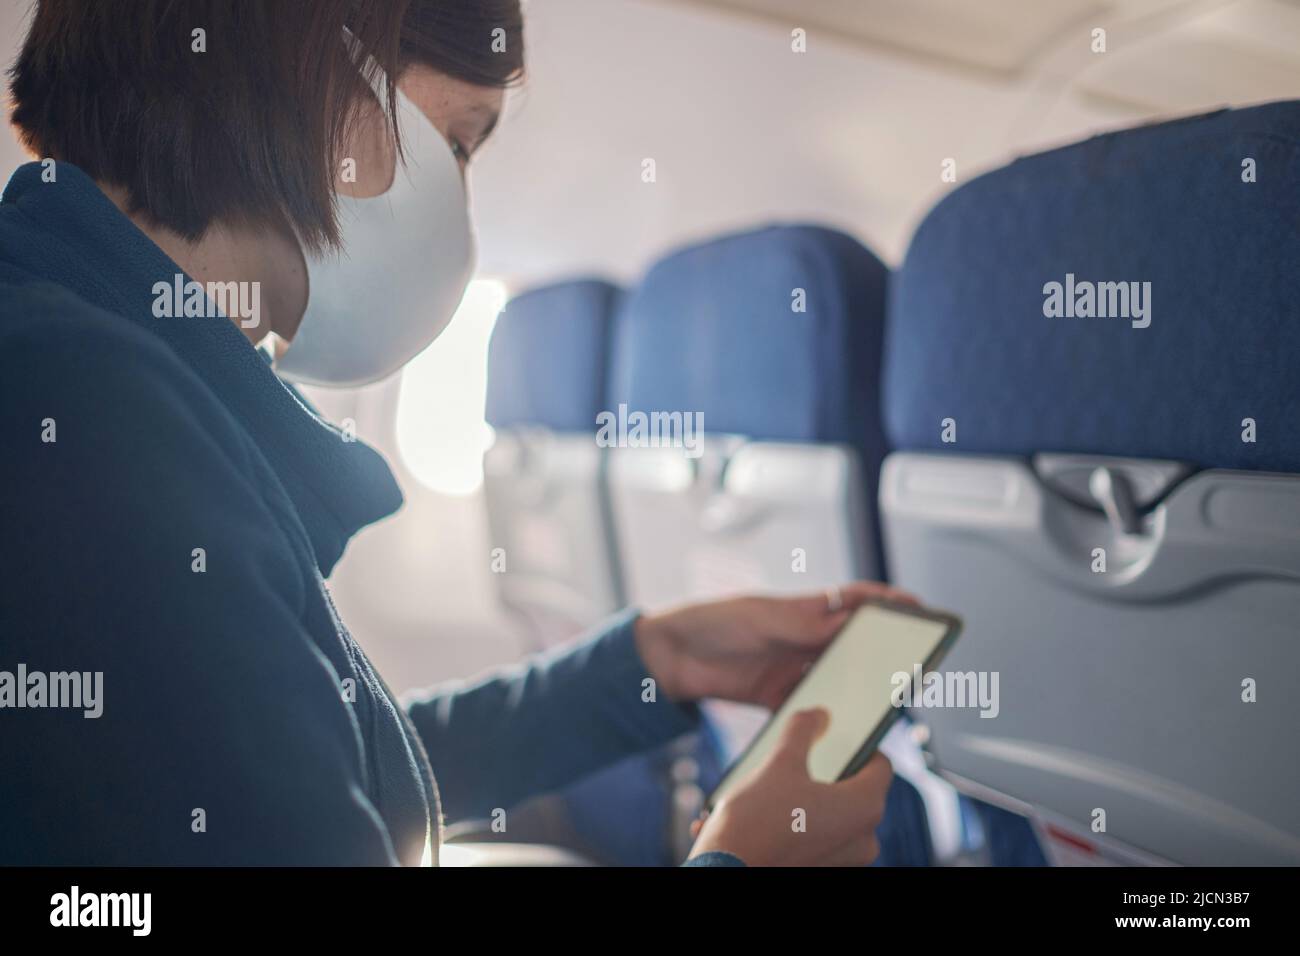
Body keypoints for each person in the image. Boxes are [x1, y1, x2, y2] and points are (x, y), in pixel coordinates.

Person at [0, 0, 905, 866]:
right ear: (309, 76)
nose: (461, 214)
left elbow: (290, 777)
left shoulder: (94, 365)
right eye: (461, 143)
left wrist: (648, 663)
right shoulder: (79, 404)